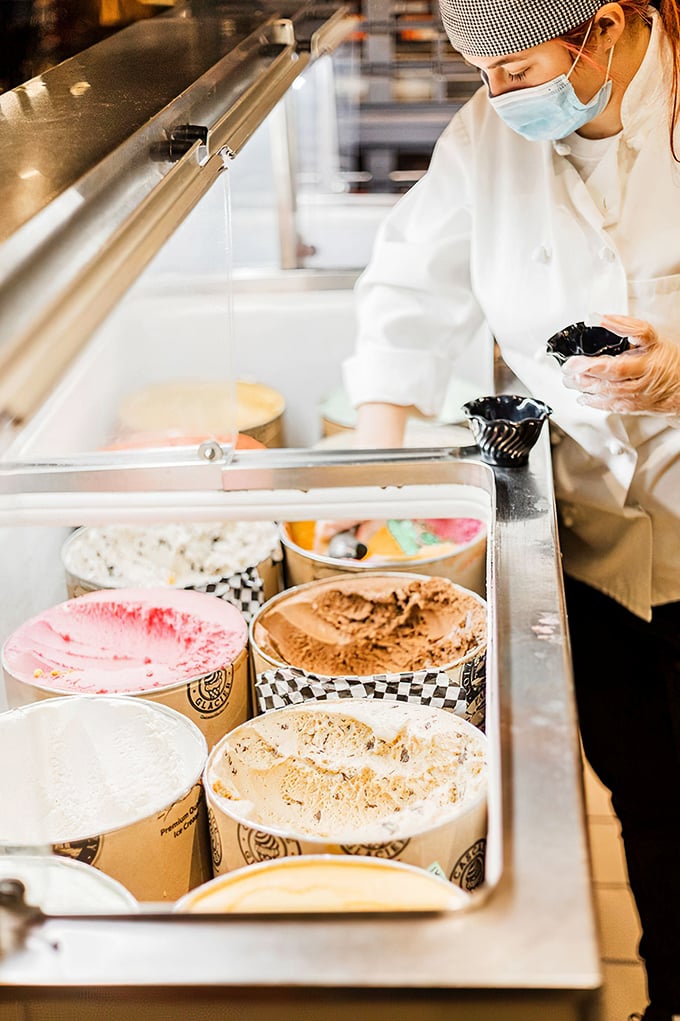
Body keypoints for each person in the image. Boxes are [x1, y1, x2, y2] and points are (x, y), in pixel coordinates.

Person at [338, 2, 680, 1019]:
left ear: (604, 29)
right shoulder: (490, 132)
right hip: (592, 543)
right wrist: (371, 458)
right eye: (477, 74)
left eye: (513, 68)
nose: (494, 98)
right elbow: (408, 284)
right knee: (647, 797)